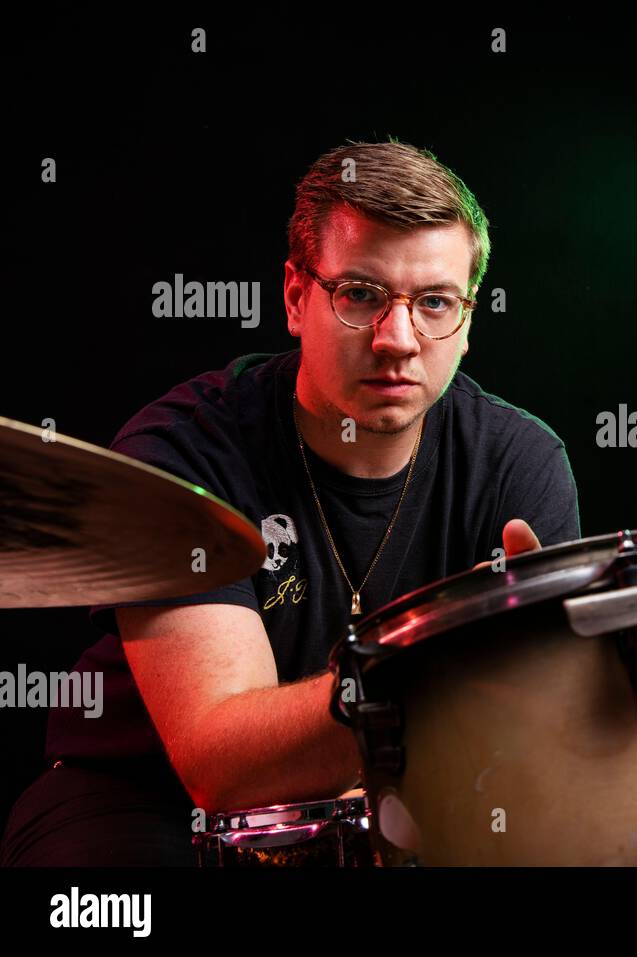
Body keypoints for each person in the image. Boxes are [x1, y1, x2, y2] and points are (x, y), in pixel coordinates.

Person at [1, 140, 580, 865]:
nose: (398, 339)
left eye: (434, 302)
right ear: (295, 296)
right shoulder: (186, 449)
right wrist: (454, 661)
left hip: (389, 806)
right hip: (145, 804)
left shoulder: (518, 463)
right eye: (361, 294)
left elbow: (534, 747)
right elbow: (226, 767)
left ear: (467, 320)